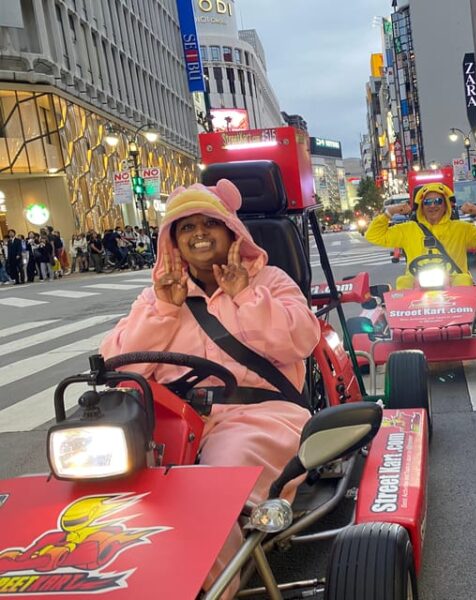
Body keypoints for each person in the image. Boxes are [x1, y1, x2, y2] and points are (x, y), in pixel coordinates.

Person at [100, 179, 320, 596]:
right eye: (186, 227)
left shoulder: (270, 281)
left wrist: (245, 295)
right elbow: (118, 361)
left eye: (209, 223)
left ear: (231, 231)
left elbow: (300, 340)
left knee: (215, 484)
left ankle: (208, 587)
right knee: (107, 490)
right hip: (168, 421)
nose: (198, 233)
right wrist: (164, 310)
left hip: (257, 415)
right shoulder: (158, 295)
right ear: (173, 242)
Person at [365, 182, 476, 289]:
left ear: (446, 205)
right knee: (402, 282)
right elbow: (373, 235)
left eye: (437, 201)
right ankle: (405, 325)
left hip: (455, 283)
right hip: (416, 285)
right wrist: (389, 212)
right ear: (421, 206)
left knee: (464, 280)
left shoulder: (461, 228)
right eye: (427, 202)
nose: (432, 206)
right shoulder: (407, 229)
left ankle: (467, 324)